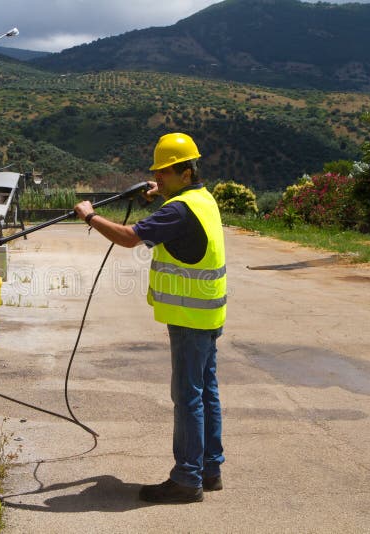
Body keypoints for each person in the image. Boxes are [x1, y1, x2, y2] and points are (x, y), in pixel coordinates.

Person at [74, 132, 227, 504]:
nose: (158, 179)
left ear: (185, 172)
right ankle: (209, 469)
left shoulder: (177, 210)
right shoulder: (202, 199)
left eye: (164, 173)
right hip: (208, 313)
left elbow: (128, 238)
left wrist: (90, 215)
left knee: (187, 395)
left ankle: (187, 479)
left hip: (190, 316)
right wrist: (162, 191)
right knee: (206, 391)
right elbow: (178, 209)